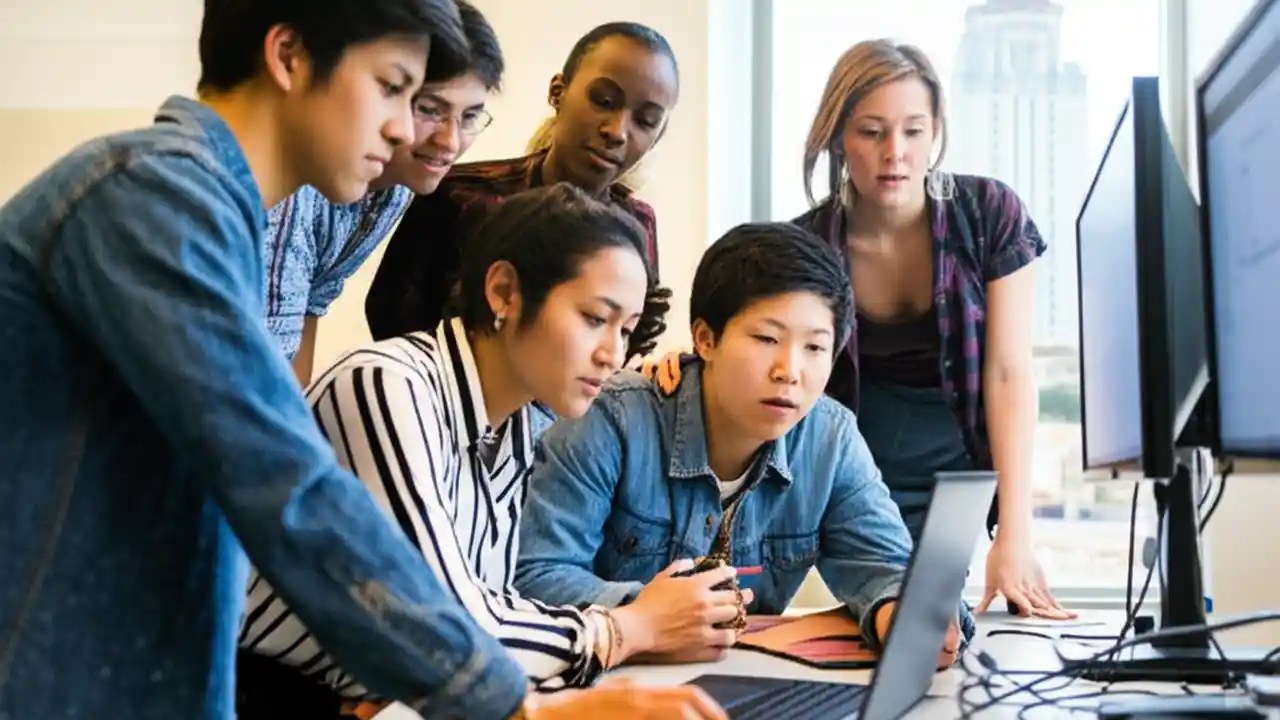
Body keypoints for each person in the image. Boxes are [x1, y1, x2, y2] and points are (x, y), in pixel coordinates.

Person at [0, 1, 721, 717]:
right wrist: (517, 706)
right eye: (393, 87)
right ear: (288, 56)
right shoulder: (152, 194)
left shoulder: (212, 208)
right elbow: (286, 484)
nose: (410, 130)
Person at [241, 183, 744, 716]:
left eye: (627, 329)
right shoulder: (386, 384)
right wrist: (630, 626)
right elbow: (453, 634)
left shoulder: (514, 428)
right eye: (595, 318)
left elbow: (483, 619)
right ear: (504, 291)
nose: (612, 353)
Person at [646, 40, 1075, 620]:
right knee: (876, 624)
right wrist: (690, 362)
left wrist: (1015, 535)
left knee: (934, 633)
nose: (894, 153)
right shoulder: (810, 244)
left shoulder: (989, 214)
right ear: (839, 136)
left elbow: (1008, 372)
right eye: (872, 132)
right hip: (854, 475)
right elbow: (755, 339)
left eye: (914, 131)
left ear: (936, 131)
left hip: (957, 474)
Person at [515, 222, 969, 669]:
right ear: (705, 338)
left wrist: (907, 615)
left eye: (814, 348)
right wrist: (649, 618)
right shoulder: (610, 421)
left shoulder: (830, 439)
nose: (789, 371)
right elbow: (535, 577)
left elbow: (886, 565)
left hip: (746, 688)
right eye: (767, 339)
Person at [365, 21, 681, 361]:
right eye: (603, 100)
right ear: (558, 92)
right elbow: (391, 321)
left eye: (646, 121)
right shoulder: (459, 196)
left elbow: (625, 353)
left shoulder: (637, 225)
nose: (617, 131)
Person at [264, 0, 503, 385]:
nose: (450, 141)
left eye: (470, 116)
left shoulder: (397, 187)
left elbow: (310, 305)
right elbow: (266, 354)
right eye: (428, 109)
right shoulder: (293, 189)